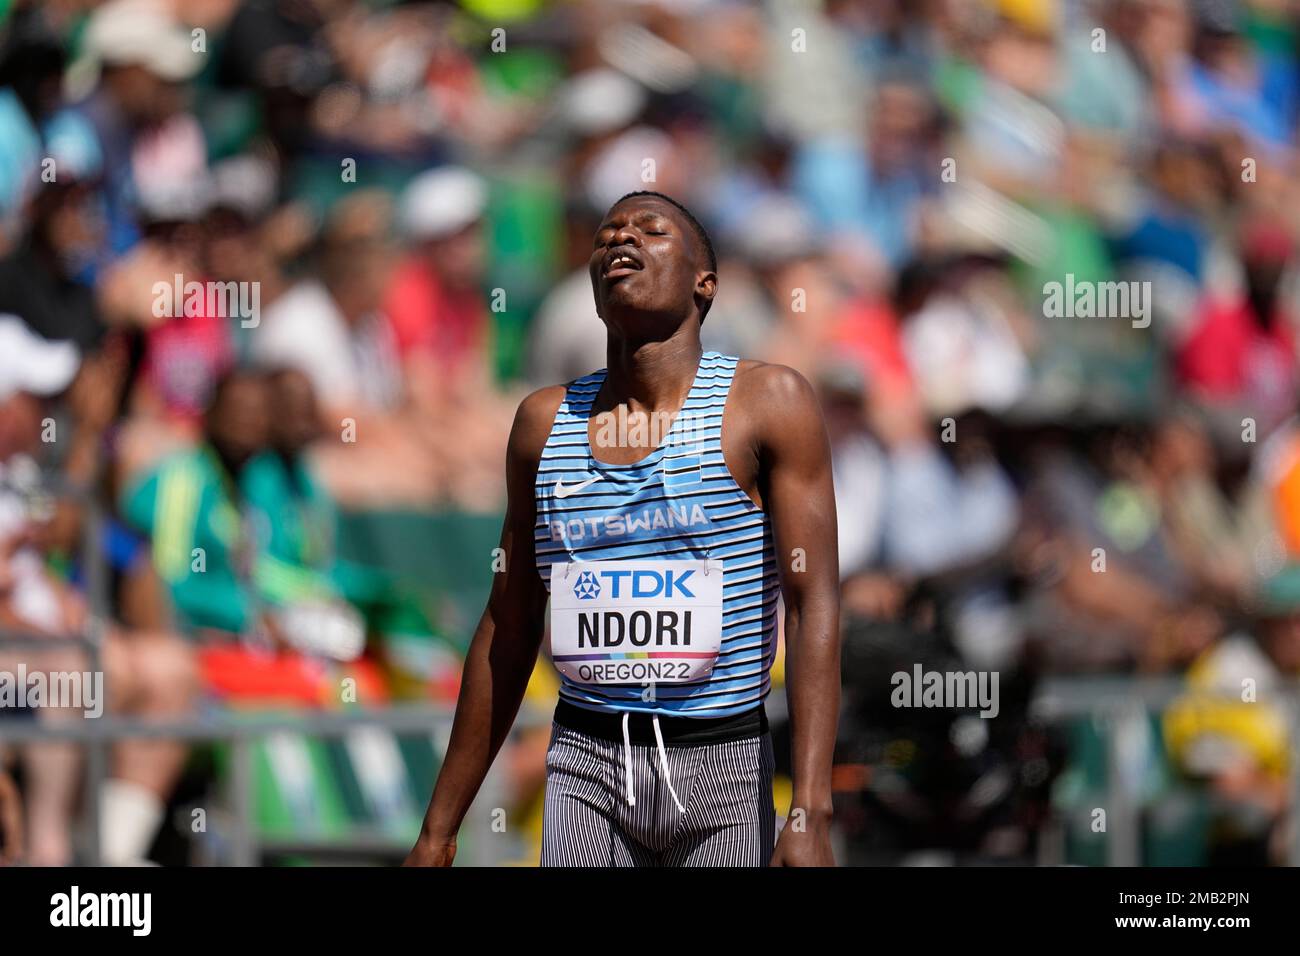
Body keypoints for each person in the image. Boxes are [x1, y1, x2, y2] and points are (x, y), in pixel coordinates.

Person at [406, 191, 841, 867]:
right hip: (588, 764)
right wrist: (438, 831)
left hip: (724, 765)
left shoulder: (768, 403)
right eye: (607, 234)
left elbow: (814, 603)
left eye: (651, 230)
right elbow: (509, 623)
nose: (621, 240)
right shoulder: (544, 425)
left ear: (706, 282)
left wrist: (810, 808)